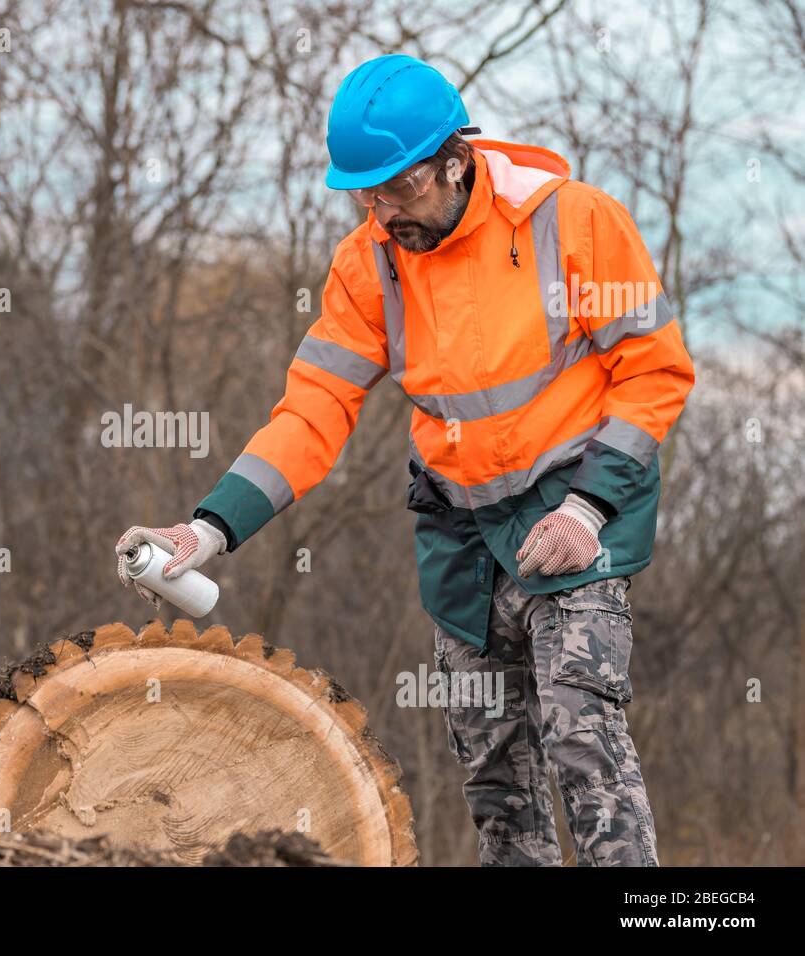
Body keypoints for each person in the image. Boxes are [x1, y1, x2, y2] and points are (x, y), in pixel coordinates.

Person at [114, 54, 696, 867]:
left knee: (581, 740)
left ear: (455, 161)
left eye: (398, 189)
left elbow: (655, 371)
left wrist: (586, 510)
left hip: (576, 516)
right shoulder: (369, 266)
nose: (382, 210)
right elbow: (313, 409)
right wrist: (210, 529)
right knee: (495, 780)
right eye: (366, 193)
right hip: (462, 538)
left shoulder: (574, 223)